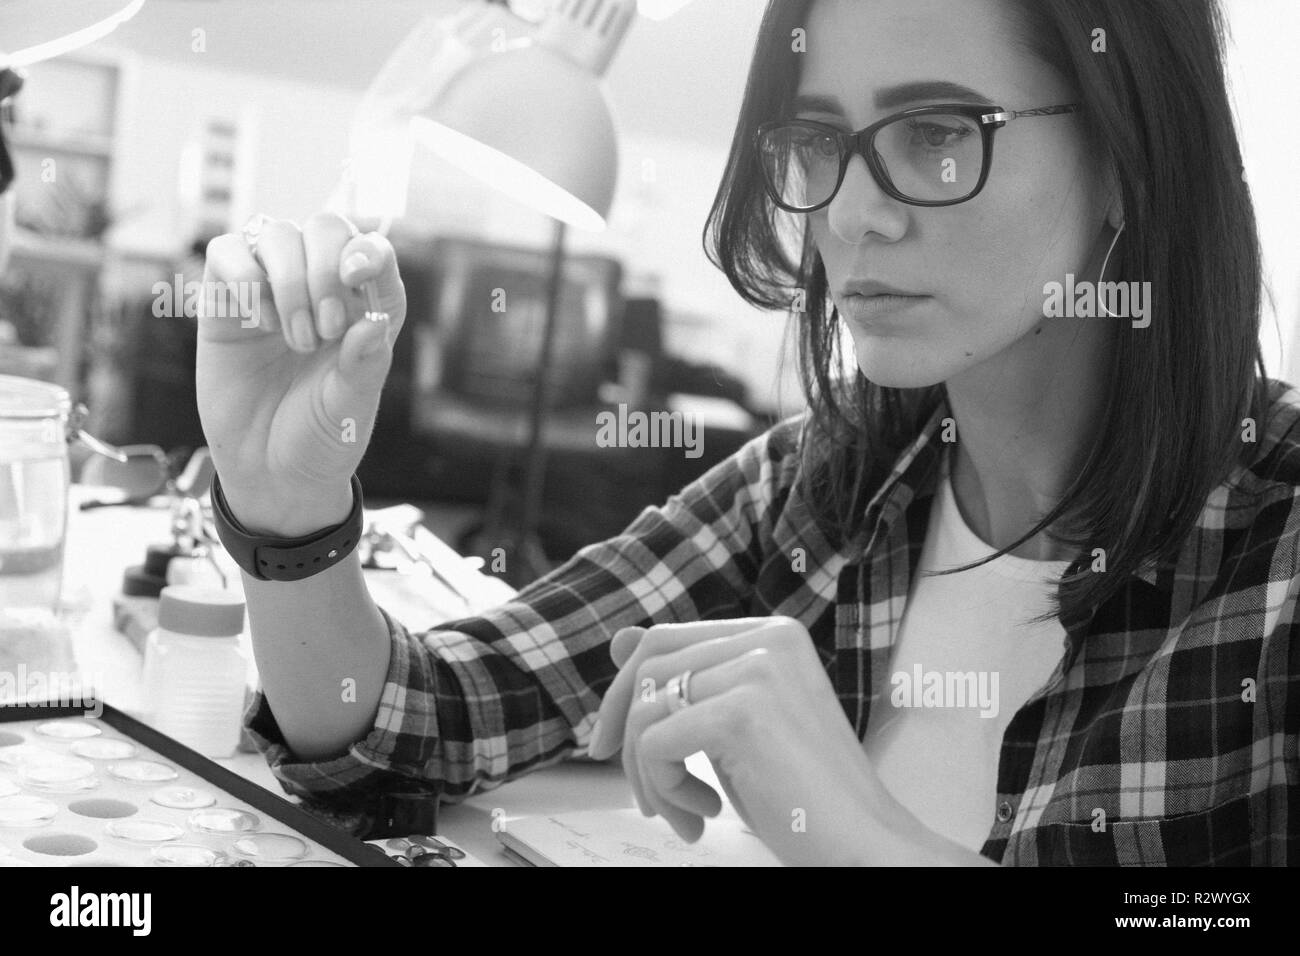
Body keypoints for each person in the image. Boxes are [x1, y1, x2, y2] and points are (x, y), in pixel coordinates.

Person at [194, 0, 1297, 866]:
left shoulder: (1275, 559)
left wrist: (858, 835)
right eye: (817, 140)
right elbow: (403, 729)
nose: (850, 214)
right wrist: (283, 501)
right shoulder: (830, 484)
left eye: (935, 135)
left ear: (1126, 157)